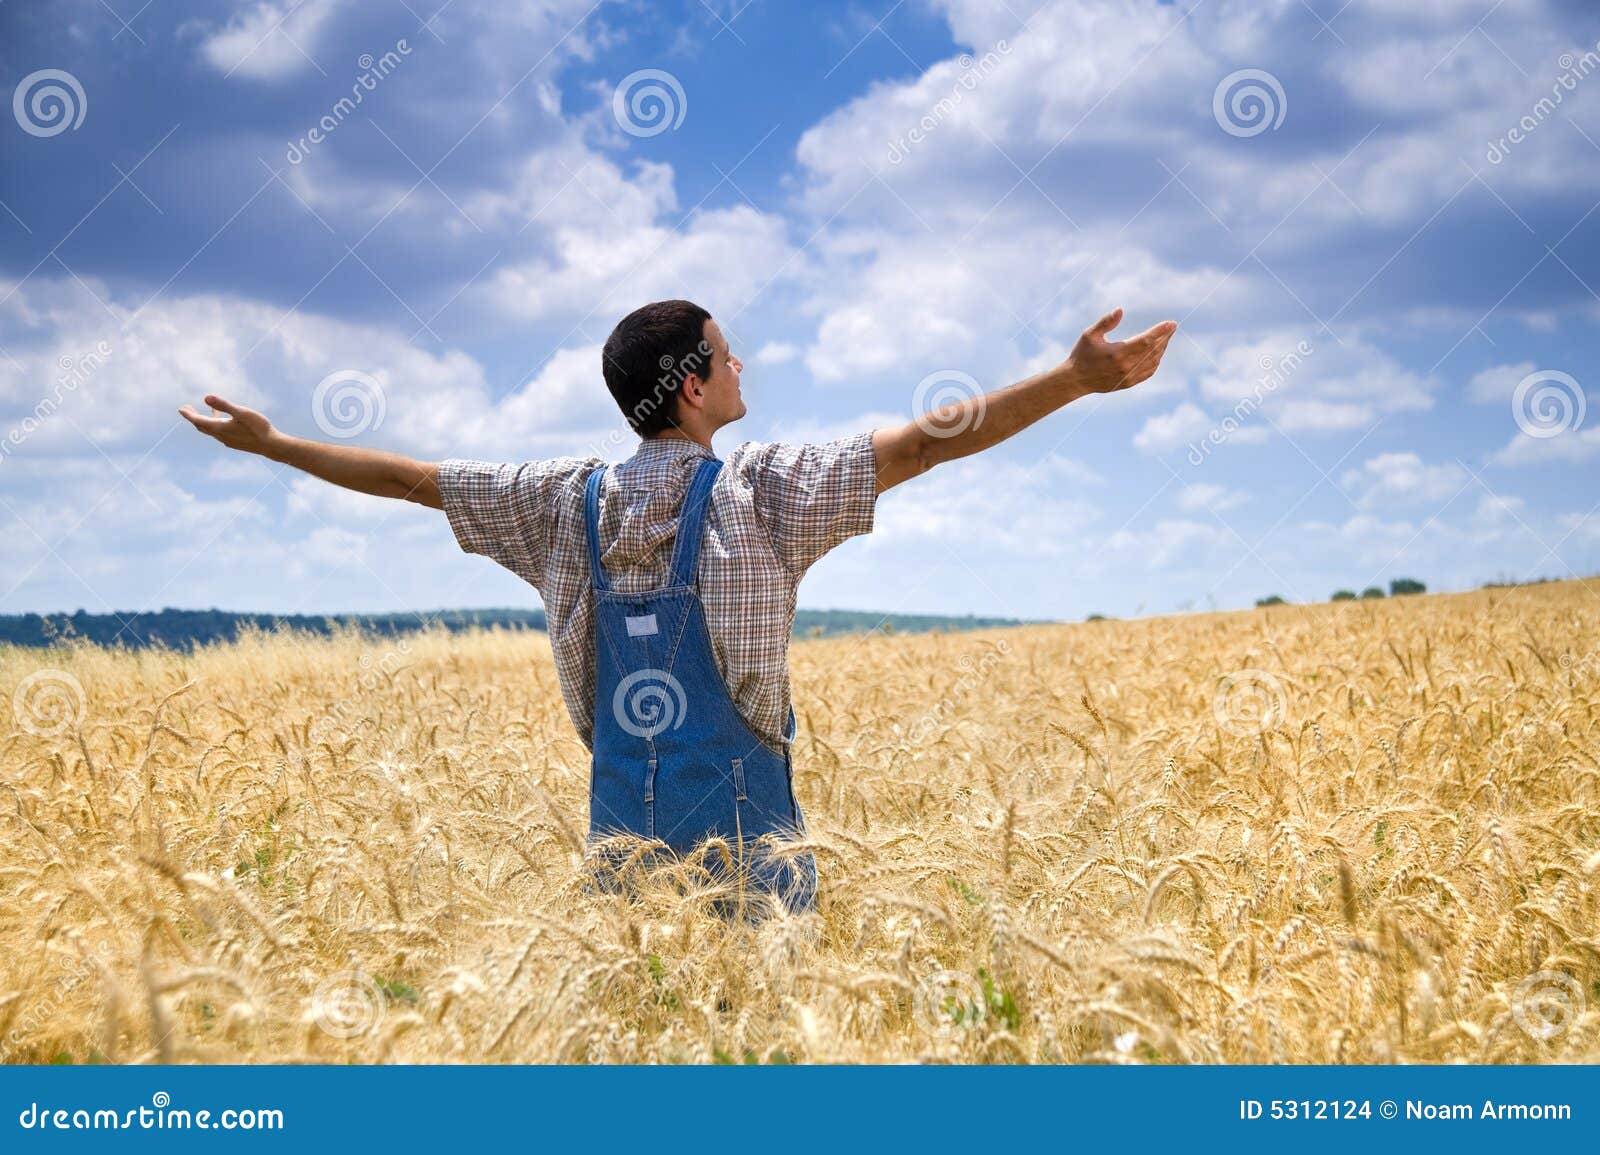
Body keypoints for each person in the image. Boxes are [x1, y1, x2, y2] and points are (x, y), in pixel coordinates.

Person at [180, 300, 1176, 920]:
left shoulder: (558, 500)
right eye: (729, 356)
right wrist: (1072, 381)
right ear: (693, 386)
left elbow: (408, 481)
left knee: (640, 1047)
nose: (744, 368)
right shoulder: (765, 492)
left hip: (619, 836)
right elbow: (924, 443)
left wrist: (275, 448)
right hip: (751, 846)